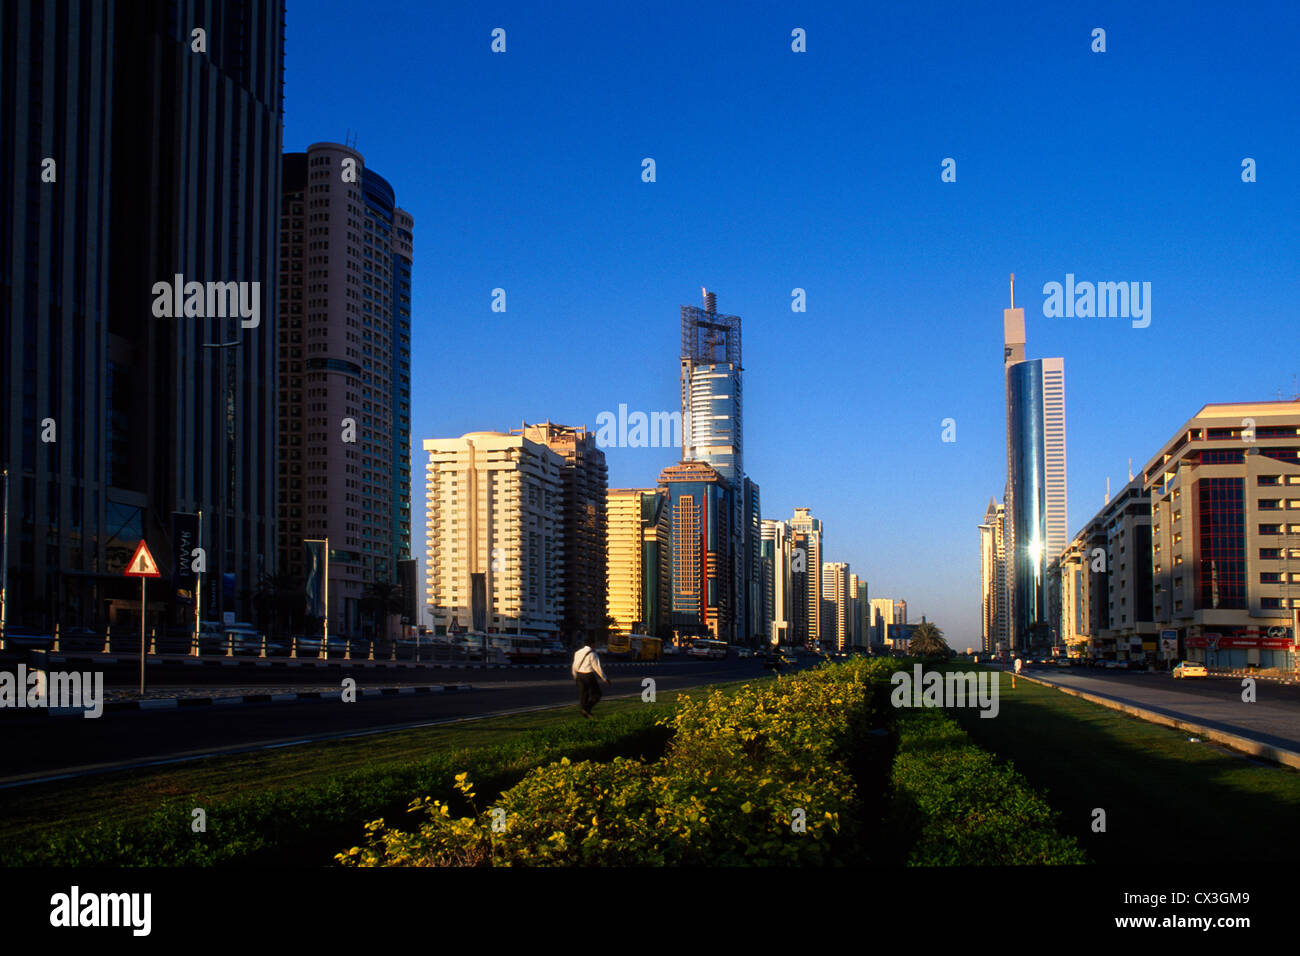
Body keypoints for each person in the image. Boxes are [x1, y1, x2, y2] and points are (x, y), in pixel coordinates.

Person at [572, 637, 610, 717]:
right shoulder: (593, 653)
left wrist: (575, 676)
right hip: (588, 676)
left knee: (583, 694)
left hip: (579, 675)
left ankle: (584, 712)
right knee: (597, 694)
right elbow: (597, 667)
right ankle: (586, 708)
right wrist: (605, 678)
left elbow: (574, 666)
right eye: (594, 644)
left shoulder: (577, 652)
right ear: (592, 644)